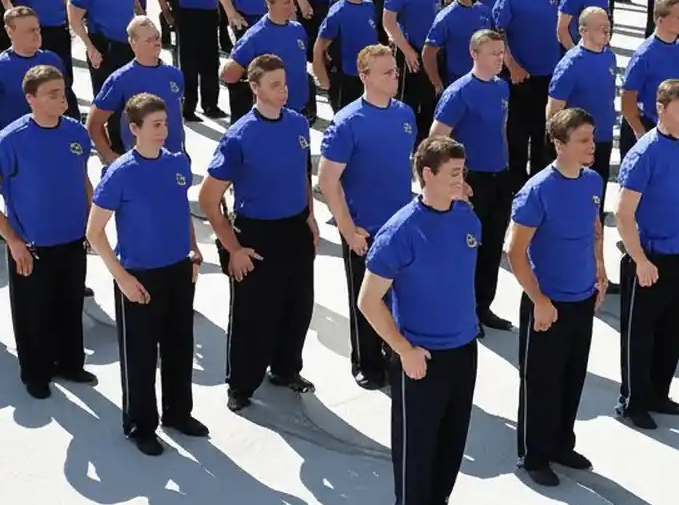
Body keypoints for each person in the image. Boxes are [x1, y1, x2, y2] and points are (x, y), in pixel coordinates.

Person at [356, 135, 479, 505]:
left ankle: (437, 503)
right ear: (427, 174)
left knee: (452, 434)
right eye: (454, 174)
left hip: (463, 346)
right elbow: (368, 300)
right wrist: (402, 349)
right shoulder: (401, 230)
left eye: (462, 173)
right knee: (416, 440)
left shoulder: (467, 218)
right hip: (420, 355)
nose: (461, 182)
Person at [86, 93, 207, 456]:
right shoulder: (120, 174)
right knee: (140, 355)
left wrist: (193, 250)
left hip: (177, 269)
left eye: (165, 123)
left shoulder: (176, 164)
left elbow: (180, 210)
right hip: (138, 275)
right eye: (155, 125)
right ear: (134, 129)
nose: (163, 131)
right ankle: (140, 424)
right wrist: (122, 277)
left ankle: (178, 413)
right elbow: (95, 232)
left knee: (179, 346)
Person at [198, 53, 319, 412]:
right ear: (254, 88)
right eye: (274, 85)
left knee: (298, 307)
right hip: (257, 234)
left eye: (285, 83)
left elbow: (302, 175)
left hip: (294, 229)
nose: (284, 91)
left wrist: (310, 217)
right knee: (253, 315)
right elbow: (208, 199)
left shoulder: (297, 124)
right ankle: (241, 383)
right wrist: (233, 249)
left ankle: (285, 369)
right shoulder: (239, 136)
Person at [0, 64, 96, 399]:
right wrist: (13, 241)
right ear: (31, 99)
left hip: (72, 240)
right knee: (33, 316)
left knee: (70, 307)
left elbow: (82, 180)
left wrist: (90, 224)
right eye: (52, 94)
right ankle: (36, 373)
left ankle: (70, 364)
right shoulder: (9, 141)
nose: (62, 99)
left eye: (63, 92)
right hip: (32, 247)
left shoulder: (76, 133)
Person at [507, 107, 605, 485]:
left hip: (581, 296)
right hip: (547, 302)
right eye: (582, 140)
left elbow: (593, 229)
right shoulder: (537, 191)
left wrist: (599, 269)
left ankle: (563, 443)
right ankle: (534, 455)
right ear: (559, 145)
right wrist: (539, 300)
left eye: (592, 138)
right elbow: (516, 252)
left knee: (572, 376)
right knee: (540, 382)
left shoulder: (593, 182)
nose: (590, 146)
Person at [318, 44, 416, 390]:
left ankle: (397, 355)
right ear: (365, 77)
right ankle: (366, 362)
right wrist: (348, 231)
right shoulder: (347, 123)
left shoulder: (405, 114)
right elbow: (327, 181)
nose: (395, 75)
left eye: (395, 69)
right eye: (387, 72)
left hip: (401, 227)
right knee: (365, 299)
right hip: (366, 230)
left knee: (401, 298)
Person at [614, 79, 679, 430]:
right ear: (661, 109)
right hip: (649, 258)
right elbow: (622, 213)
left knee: (671, 331)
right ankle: (634, 401)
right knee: (641, 334)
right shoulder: (644, 153)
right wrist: (641, 260)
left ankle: (659, 392)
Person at [430, 29, 514, 331]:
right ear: (474, 54)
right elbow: (437, 139)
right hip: (472, 182)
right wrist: (457, 183)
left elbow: (500, 131)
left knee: (492, 246)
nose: (499, 58)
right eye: (493, 53)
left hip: (499, 178)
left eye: (501, 52)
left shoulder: (502, 88)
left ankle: (483, 307)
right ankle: (462, 313)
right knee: (467, 251)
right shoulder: (459, 92)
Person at [492, 0, 560, 185]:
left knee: (544, 134)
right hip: (521, 77)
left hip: (548, 73)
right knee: (518, 137)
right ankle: (516, 187)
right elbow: (499, 34)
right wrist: (512, 66)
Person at [548, 6, 618, 219]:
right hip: (576, 145)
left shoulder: (609, 57)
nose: (606, 32)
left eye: (607, 27)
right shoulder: (571, 64)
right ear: (583, 31)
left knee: (596, 203)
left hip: (603, 139)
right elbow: (554, 109)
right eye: (600, 28)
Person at [88, 17, 186, 159]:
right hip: (139, 162)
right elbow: (94, 122)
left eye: (157, 37)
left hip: (173, 159)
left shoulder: (174, 74)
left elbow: (177, 115)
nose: (156, 43)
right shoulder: (120, 79)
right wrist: (108, 155)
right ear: (133, 43)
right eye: (148, 40)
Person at [158, 0, 224, 120]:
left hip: (209, 14)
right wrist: (167, 13)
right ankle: (188, 107)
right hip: (187, 15)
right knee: (189, 63)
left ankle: (211, 104)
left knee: (211, 61)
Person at [0, 7, 65, 142]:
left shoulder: (53, 60)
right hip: (18, 145)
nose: (36, 34)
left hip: (53, 139)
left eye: (37, 29)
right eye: (29, 31)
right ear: (10, 32)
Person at [223, 0, 311, 121]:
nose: (293, 7)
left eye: (292, 1)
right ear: (270, 3)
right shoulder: (255, 36)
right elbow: (229, 74)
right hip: (271, 115)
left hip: (299, 111)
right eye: (286, 3)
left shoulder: (298, 30)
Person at [385, 0, 444, 137]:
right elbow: (388, 22)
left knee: (432, 98)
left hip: (434, 48)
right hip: (412, 51)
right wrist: (408, 51)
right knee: (409, 100)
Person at [619, 0, 679, 158]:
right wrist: (640, 133)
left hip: (674, 129)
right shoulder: (645, 55)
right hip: (648, 126)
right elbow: (627, 98)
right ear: (660, 20)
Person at [313, 0, 379, 110]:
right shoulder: (338, 13)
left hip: (368, 75)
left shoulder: (369, 6)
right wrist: (323, 79)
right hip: (346, 78)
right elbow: (319, 47)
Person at [423, 0, 493, 91]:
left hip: (486, 80)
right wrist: (437, 83)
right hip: (458, 84)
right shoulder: (446, 17)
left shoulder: (485, 11)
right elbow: (428, 53)